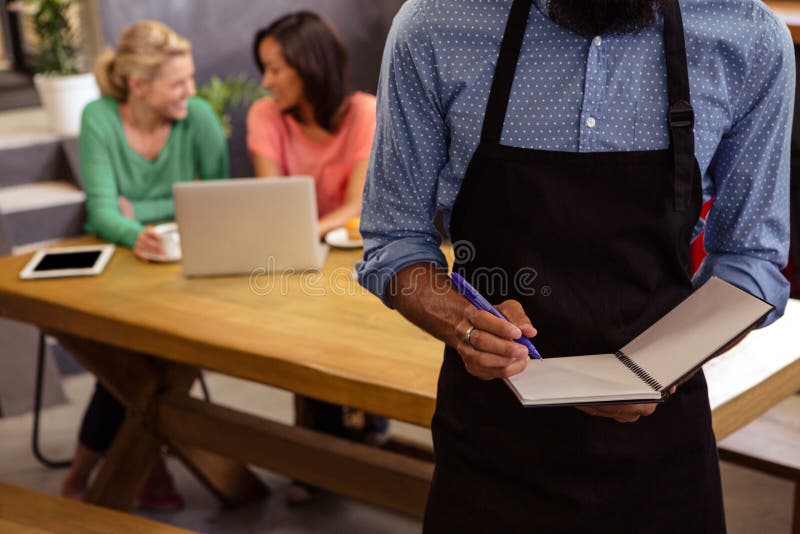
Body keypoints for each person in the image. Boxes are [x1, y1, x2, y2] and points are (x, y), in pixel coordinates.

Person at [357, 0, 793, 532]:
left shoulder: (748, 38)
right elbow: (394, 239)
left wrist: (663, 365)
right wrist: (465, 323)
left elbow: (752, 258)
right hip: (492, 446)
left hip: (661, 450)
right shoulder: (434, 28)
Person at [61, 20, 229, 508]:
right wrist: (144, 226)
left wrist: (137, 212)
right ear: (138, 84)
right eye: (179, 82)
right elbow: (103, 213)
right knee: (128, 362)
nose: (192, 91)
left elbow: (217, 202)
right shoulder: (99, 118)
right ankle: (119, 472)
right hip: (119, 271)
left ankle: (111, 473)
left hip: (189, 267)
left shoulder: (197, 117)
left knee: (145, 368)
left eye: (190, 78)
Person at [246, 11, 388, 504]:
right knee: (303, 335)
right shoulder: (266, 116)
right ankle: (320, 455)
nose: (266, 82)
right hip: (296, 261)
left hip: (354, 256)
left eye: (276, 69)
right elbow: (272, 201)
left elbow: (357, 205)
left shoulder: (365, 112)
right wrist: (297, 233)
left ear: (309, 65)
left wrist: (304, 228)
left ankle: (358, 435)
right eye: (264, 68)